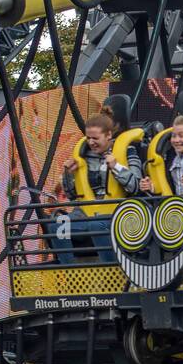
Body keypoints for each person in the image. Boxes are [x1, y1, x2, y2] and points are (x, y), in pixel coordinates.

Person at [51, 113, 137, 264]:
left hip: (119, 213)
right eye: (88, 138)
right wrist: (68, 175)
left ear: (108, 135)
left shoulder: (127, 151)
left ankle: (110, 271)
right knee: (57, 225)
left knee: (96, 224)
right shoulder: (84, 155)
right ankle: (70, 272)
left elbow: (135, 187)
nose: (91, 142)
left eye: (95, 138)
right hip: (87, 213)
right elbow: (72, 196)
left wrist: (116, 167)